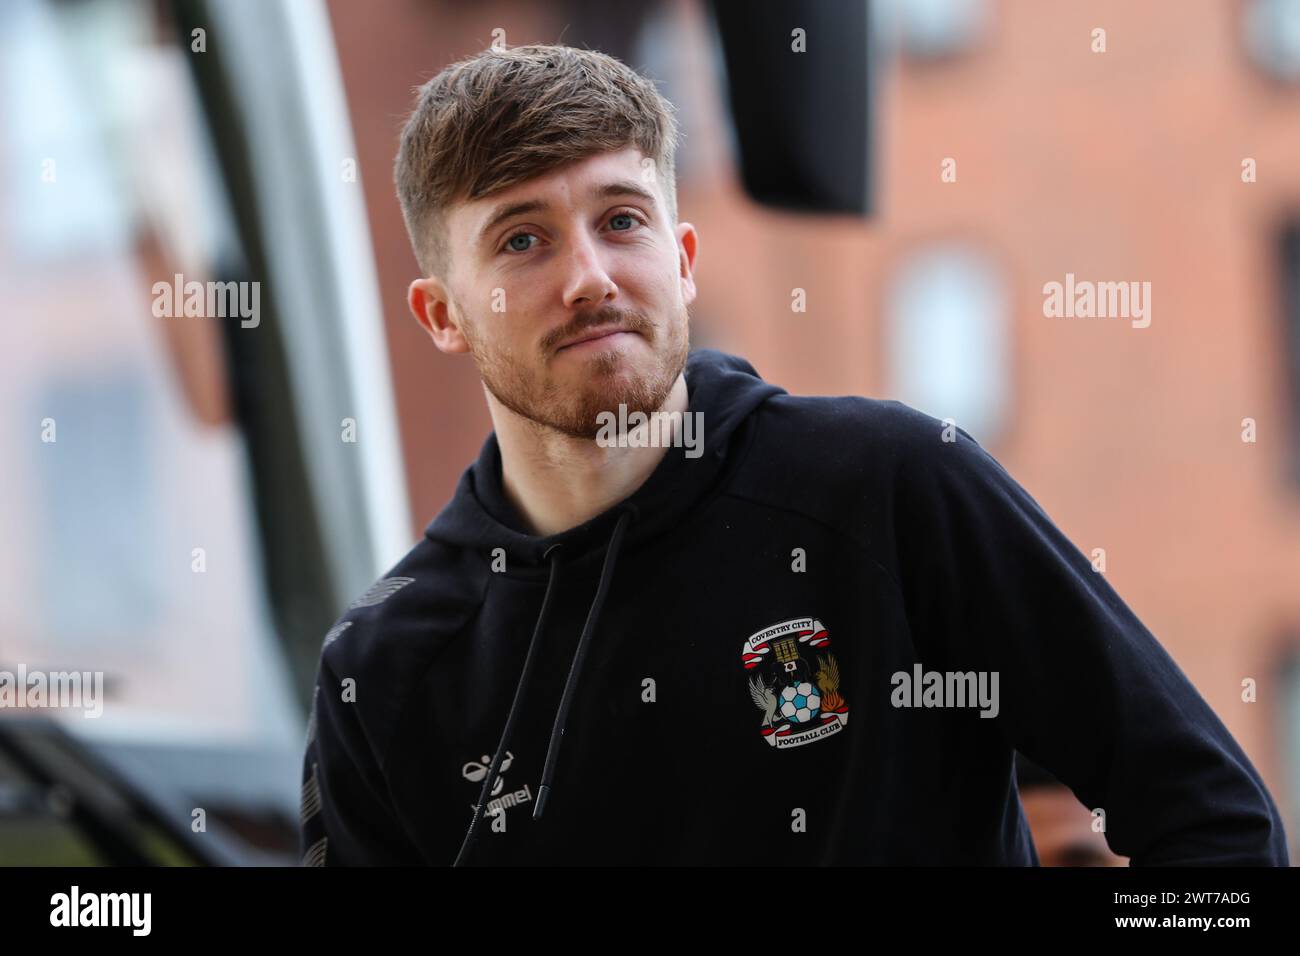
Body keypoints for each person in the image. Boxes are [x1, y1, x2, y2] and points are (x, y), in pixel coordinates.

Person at [297, 43, 1289, 866]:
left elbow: (1217, 832)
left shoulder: (889, 486)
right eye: (522, 240)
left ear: (682, 261)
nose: (591, 277)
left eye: (621, 220)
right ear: (441, 315)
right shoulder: (387, 670)